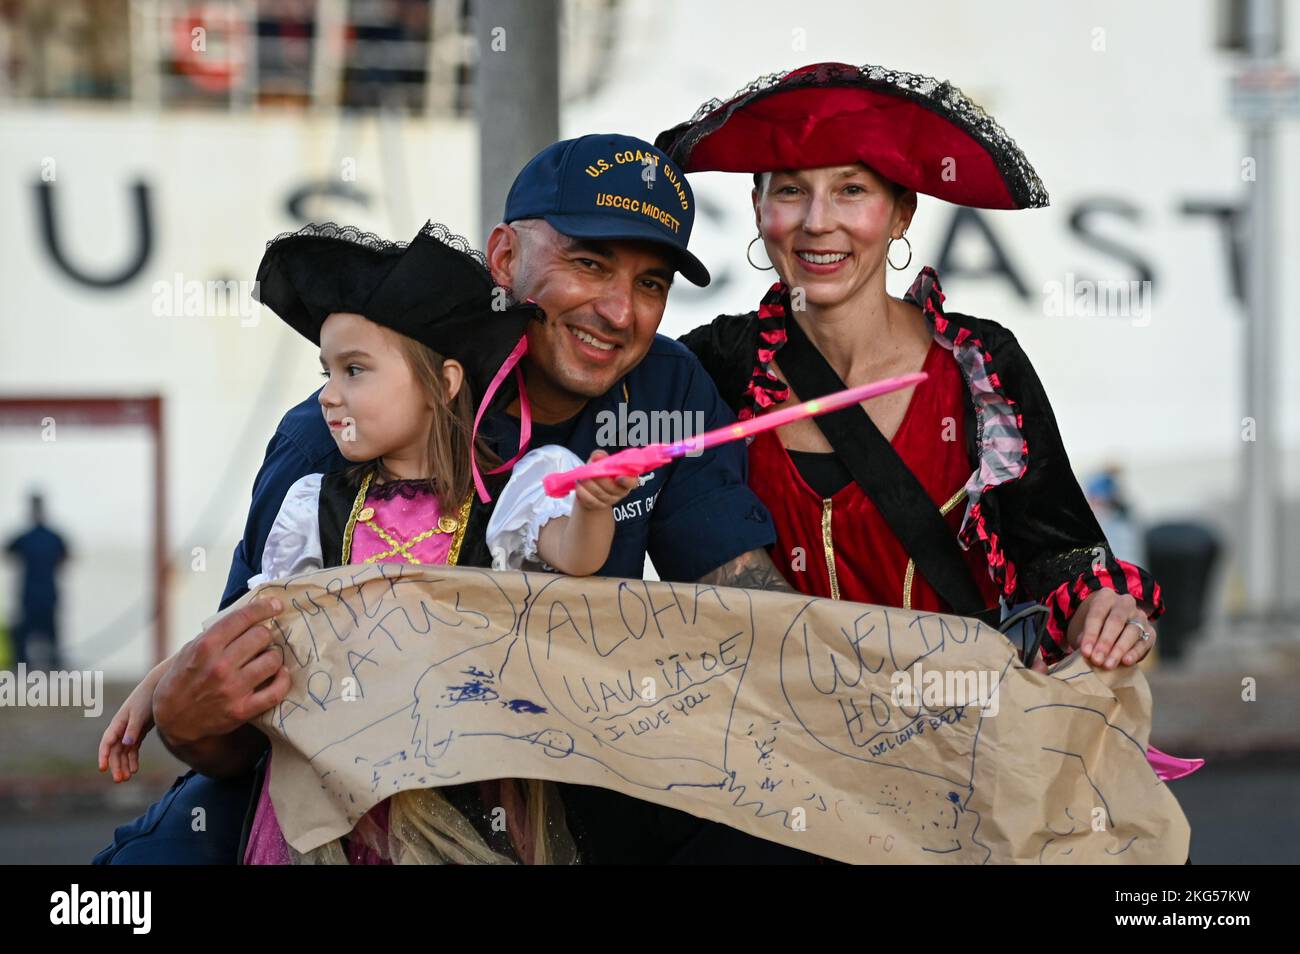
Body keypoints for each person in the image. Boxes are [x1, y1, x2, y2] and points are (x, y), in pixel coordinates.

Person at [95, 134, 802, 865]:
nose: (620, 312)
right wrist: (184, 719)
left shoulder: (668, 389)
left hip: (563, 771)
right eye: (588, 264)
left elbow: (748, 611)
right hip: (332, 778)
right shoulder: (330, 440)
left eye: (652, 283)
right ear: (503, 259)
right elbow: (237, 684)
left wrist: (884, 686)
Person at [99, 220, 640, 864]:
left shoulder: (509, 497)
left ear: (444, 383)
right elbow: (257, 616)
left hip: (465, 804)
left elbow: (577, 558)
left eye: (355, 370)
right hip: (334, 808)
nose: (329, 395)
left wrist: (591, 505)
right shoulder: (316, 509)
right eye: (326, 371)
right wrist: (155, 691)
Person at [662, 62, 1166, 670]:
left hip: (955, 744)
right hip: (776, 749)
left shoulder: (981, 367)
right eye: (791, 190)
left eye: (852, 190)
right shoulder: (711, 365)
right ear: (759, 207)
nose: (818, 221)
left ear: (902, 214)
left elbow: (1059, 555)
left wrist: (1105, 615)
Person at [4, 492, 69, 669]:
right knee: (49, 634)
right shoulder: (53, 537)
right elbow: (65, 557)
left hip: (32, 594)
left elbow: (8, 552)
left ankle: (22, 666)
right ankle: (53, 666)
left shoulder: (26, 538)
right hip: (46, 593)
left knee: (24, 635)